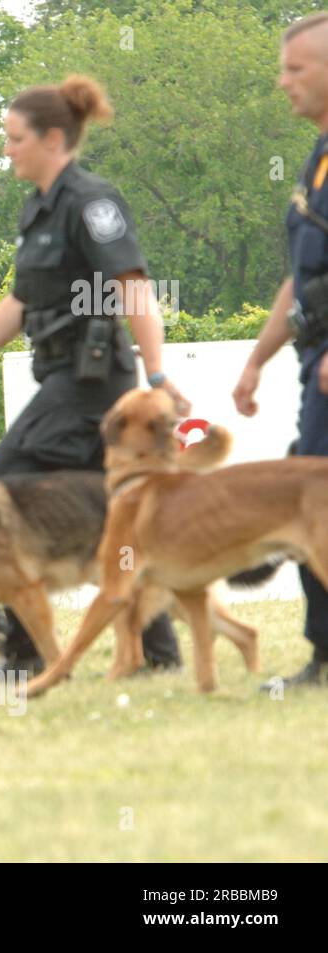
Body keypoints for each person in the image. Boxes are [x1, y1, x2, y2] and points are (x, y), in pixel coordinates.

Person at [0, 75, 186, 678]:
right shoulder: (38, 207)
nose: (6, 149)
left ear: (53, 138)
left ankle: (21, 653)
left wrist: (160, 375)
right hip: (64, 379)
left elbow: (132, 286)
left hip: (92, 385)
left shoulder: (92, 201)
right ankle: (158, 653)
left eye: (14, 138)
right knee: (117, 518)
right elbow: (19, 305)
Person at [234, 12, 328, 689]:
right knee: (310, 503)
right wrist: (258, 357)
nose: (282, 81)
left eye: (296, 68)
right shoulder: (316, 159)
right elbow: (304, 279)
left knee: (315, 506)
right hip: (312, 358)